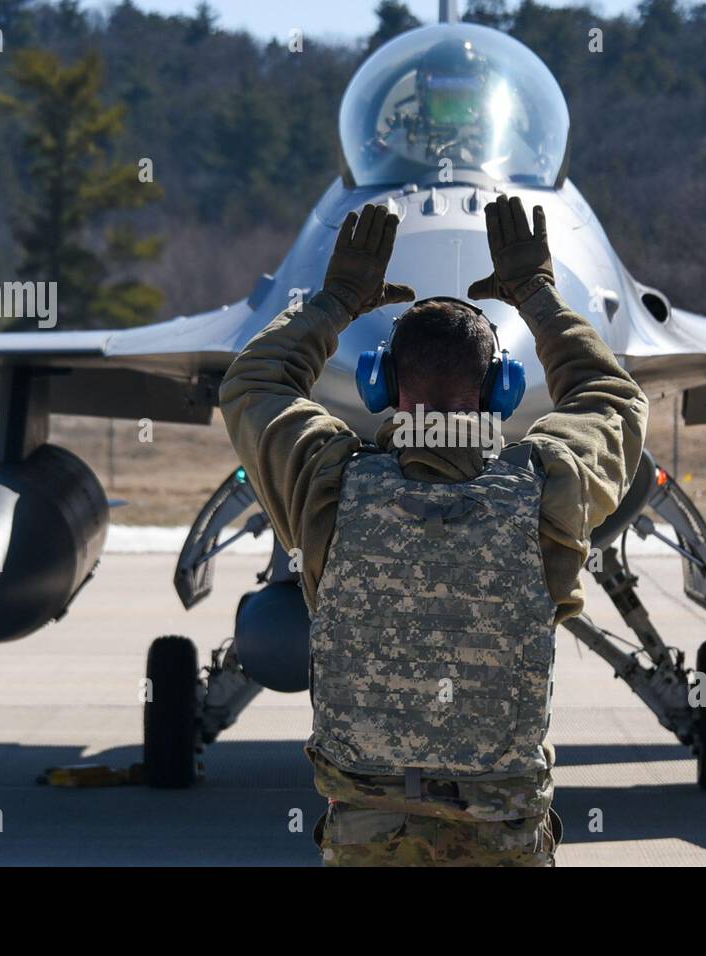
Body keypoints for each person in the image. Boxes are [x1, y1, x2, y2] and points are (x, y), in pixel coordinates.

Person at [221, 198, 647, 866]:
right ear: (502, 389)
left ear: (381, 383)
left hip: (367, 837)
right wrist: (536, 295)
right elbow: (611, 397)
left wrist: (337, 300)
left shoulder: (327, 486)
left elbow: (253, 383)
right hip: (503, 836)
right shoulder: (549, 489)